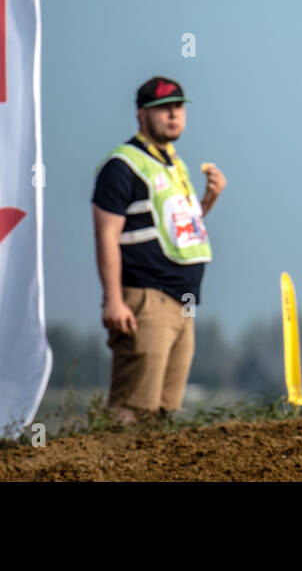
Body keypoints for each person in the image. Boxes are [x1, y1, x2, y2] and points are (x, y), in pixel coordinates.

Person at [91, 77, 226, 423]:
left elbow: (177, 229)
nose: (172, 115)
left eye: (178, 107)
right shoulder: (122, 165)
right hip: (146, 301)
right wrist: (113, 300)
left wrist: (208, 200)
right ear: (141, 114)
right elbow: (106, 234)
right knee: (131, 413)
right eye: (162, 108)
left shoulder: (175, 164)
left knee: (162, 416)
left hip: (182, 304)